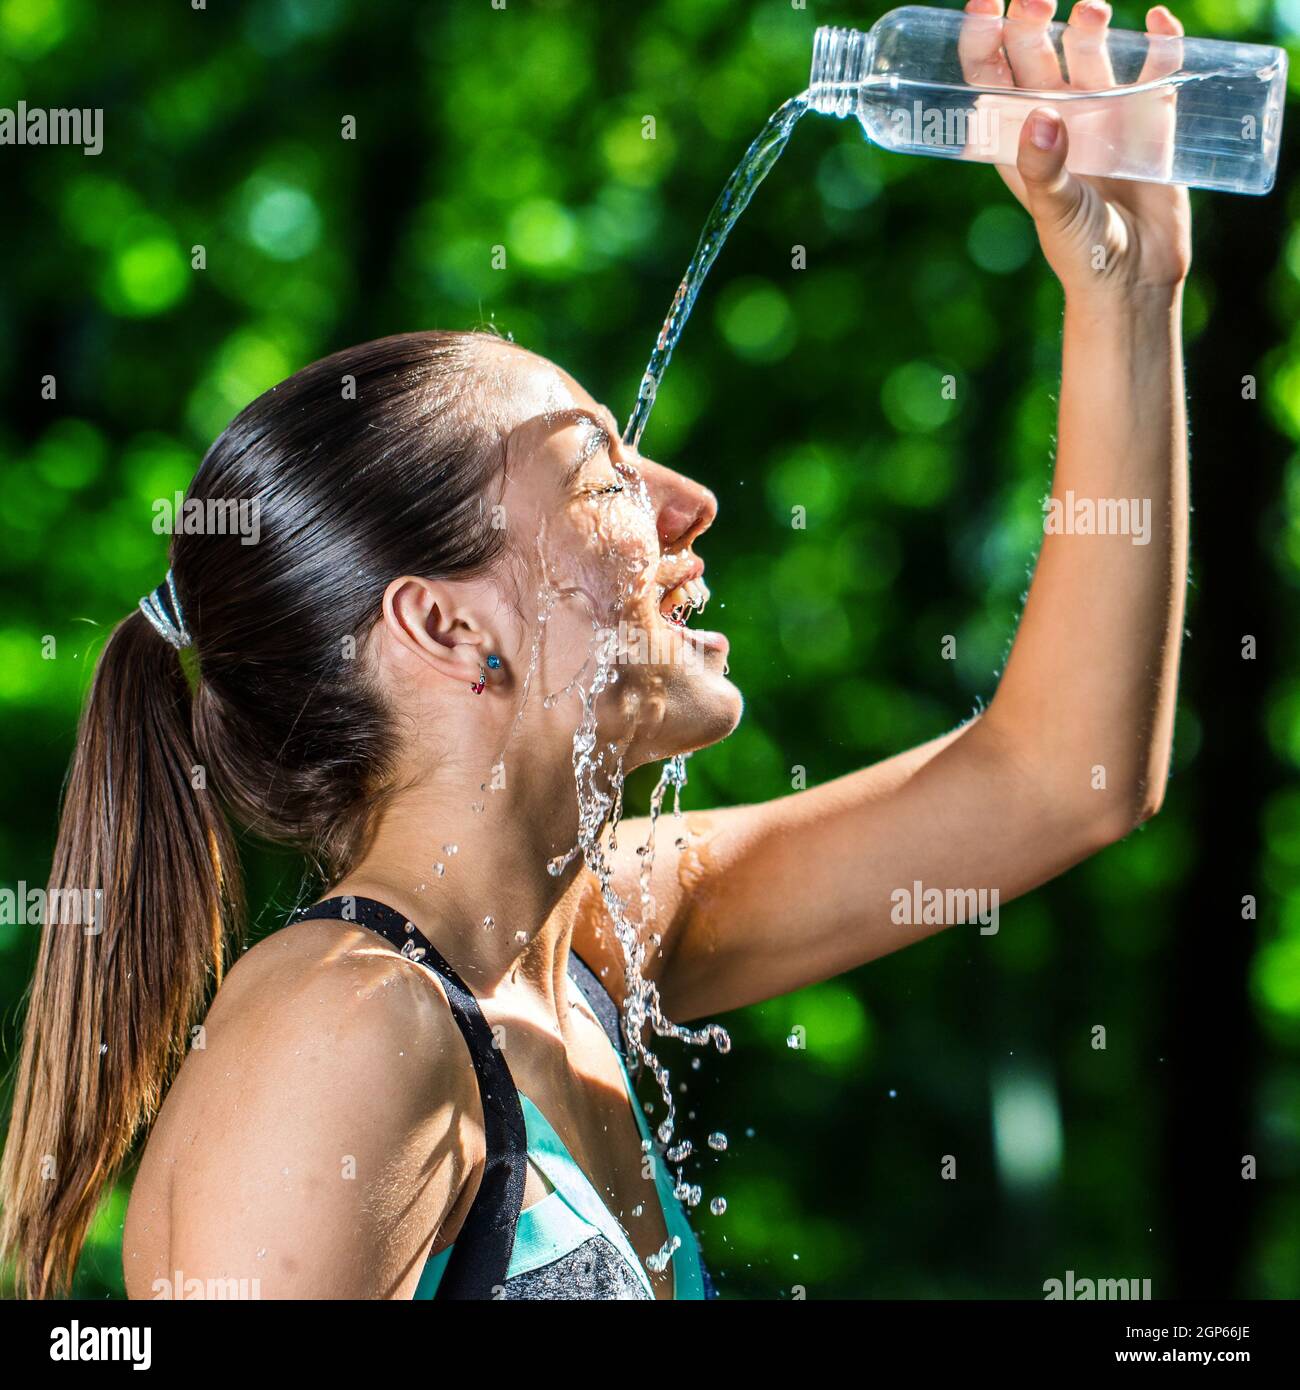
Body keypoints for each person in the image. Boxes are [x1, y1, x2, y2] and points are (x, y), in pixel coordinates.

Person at [0, 0, 1190, 1300]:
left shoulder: (579, 939)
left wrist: (1122, 295)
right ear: (447, 624)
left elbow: (1061, 775)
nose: (691, 503)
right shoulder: (342, 1028)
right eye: (602, 473)